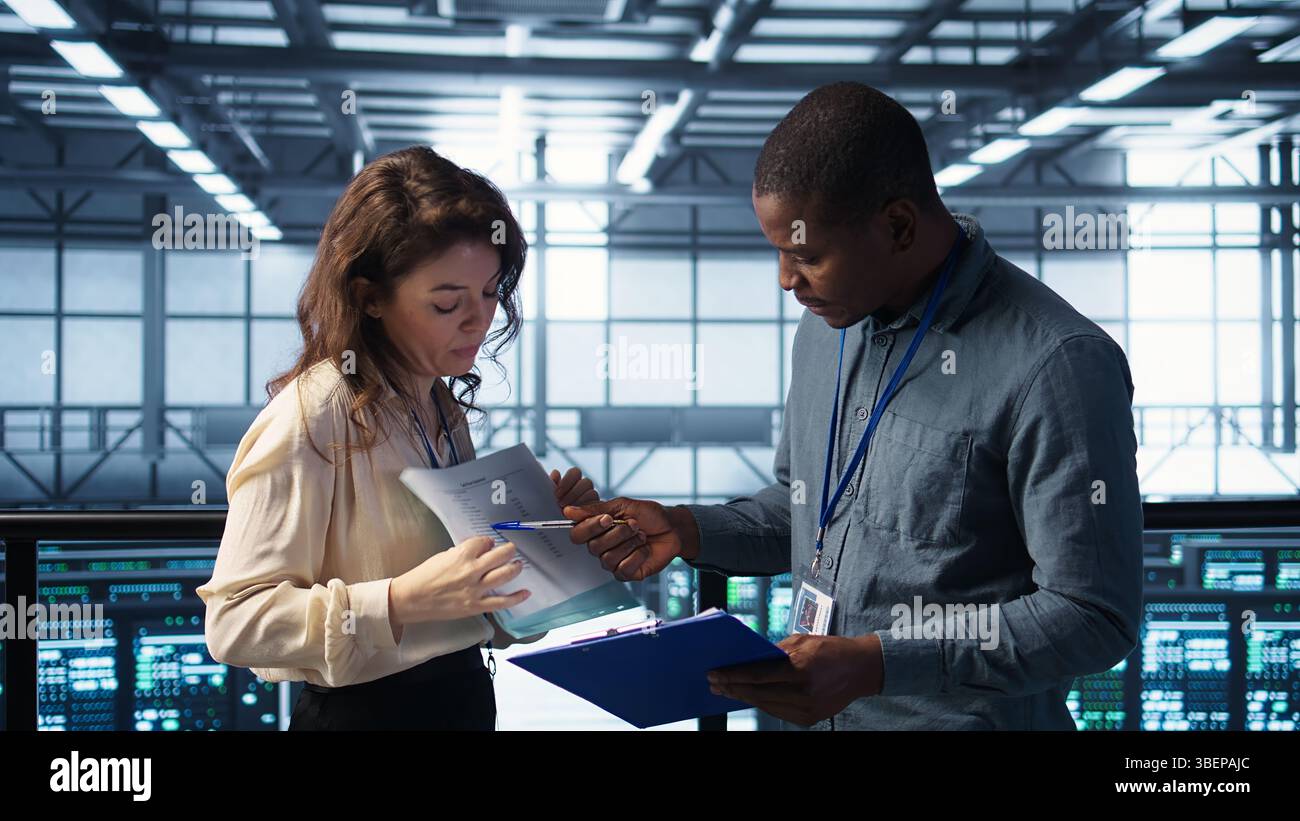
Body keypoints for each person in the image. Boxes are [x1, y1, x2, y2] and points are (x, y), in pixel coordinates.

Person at [565, 82, 1143, 730]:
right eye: (777, 251)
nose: (786, 279)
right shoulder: (826, 328)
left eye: (806, 255)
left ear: (897, 225)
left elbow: (1094, 614)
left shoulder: (1056, 364)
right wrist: (688, 528)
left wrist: (879, 663)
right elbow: (808, 508)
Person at [197, 146, 598, 730]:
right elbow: (235, 624)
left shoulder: (437, 403)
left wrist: (544, 542)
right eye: (446, 302)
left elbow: (478, 620)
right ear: (369, 297)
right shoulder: (315, 413)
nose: (479, 320)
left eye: (490, 293)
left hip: (460, 700)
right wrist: (397, 602)